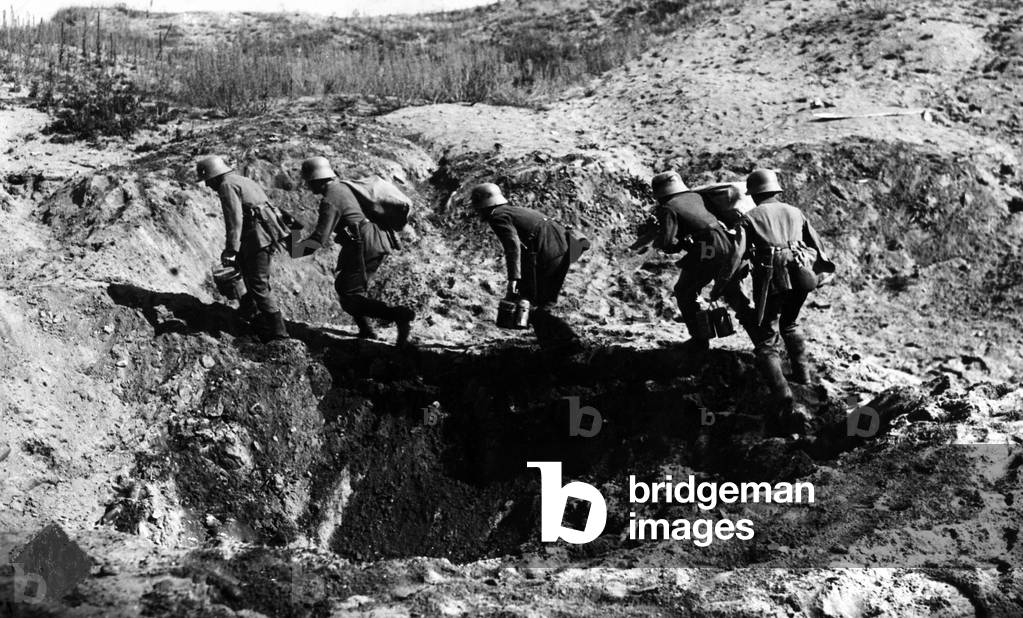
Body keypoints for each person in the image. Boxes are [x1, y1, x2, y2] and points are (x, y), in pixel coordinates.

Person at [742, 168, 835, 433]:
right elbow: (817, 246)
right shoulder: (795, 212)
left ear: (755, 194)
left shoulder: (750, 217)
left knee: (766, 340)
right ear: (776, 191)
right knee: (790, 323)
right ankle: (803, 375)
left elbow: (737, 255)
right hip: (802, 275)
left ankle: (784, 397)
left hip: (773, 280)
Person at [296, 156, 414, 348]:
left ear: (315, 179)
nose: (308, 187)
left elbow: (319, 239)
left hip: (364, 242)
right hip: (369, 239)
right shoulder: (342, 187)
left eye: (308, 182)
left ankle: (399, 315)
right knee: (347, 288)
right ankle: (367, 329)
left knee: (349, 294)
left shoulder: (331, 198)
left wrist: (295, 247)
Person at [649, 171, 758, 352]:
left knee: (685, 290)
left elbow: (668, 242)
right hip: (729, 245)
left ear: (660, 193)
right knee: (734, 294)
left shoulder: (668, 207)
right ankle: (762, 341)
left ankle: (700, 340)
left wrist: (671, 244)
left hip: (707, 250)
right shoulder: (697, 196)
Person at [471, 182, 581, 353]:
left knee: (532, 303)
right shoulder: (514, 211)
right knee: (543, 303)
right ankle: (555, 347)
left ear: (483, 204)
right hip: (563, 250)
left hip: (548, 253)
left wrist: (513, 278)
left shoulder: (497, 215)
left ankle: (567, 339)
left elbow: (512, 246)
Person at [196, 155, 290, 342]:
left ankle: (279, 333)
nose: (207, 186)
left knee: (258, 284)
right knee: (247, 274)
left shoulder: (226, 185)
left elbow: (234, 220)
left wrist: (231, 250)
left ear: (214, 176)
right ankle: (250, 314)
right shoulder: (241, 180)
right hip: (262, 235)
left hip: (257, 238)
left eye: (207, 181)